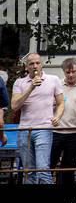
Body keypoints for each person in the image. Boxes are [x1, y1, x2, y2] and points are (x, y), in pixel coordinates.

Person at [10, 51, 63, 184]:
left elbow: (61, 103)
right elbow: (14, 106)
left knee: (43, 168)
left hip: (44, 128)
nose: (35, 66)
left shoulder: (53, 79)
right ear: (26, 67)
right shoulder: (19, 82)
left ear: (41, 65)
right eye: (31, 64)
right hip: (24, 130)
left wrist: (57, 116)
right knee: (28, 171)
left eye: (37, 63)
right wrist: (31, 87)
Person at [51, 57, 76, 185]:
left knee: (69, 168)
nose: (71, 75)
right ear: (63, 72)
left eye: (73, 72)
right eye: (67, 72)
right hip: (56, 131)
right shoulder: (57, 85)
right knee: (49, 165)